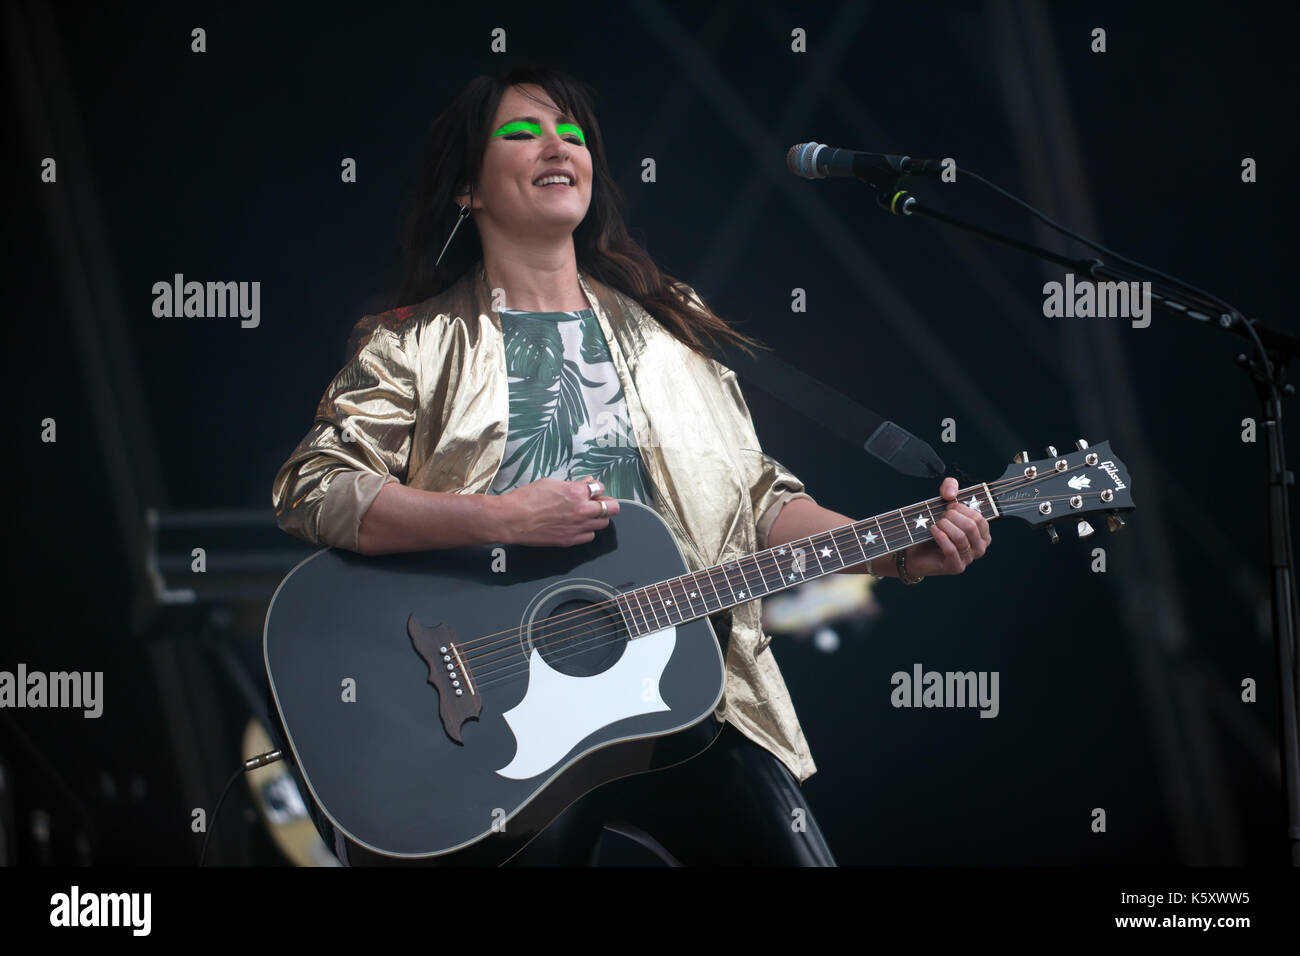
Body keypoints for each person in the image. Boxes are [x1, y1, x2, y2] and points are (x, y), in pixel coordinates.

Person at [270, 65, 991, 866]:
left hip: (687, 696)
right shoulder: (413, 345)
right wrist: (503, 519)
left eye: (572, 135)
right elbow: (314, 488)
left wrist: (896, 549)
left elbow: (755, 500)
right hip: (496, 725)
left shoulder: (671, 329)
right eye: (522, 133)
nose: (557, 146)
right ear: (467, 189)